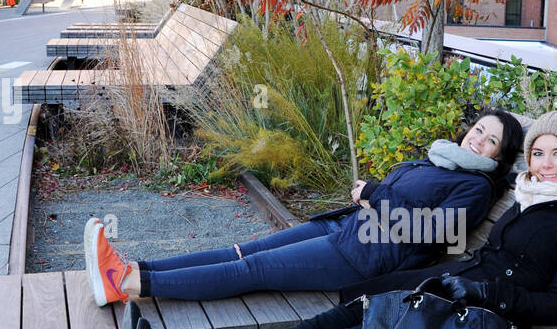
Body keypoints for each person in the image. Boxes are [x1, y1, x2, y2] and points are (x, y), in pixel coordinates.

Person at [131, 109, 557, 329]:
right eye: (539, 154)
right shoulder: (528, 197)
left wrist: (488, 291)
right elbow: (473, 254)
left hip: (482, 327)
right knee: (317, 326)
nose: (546, 166)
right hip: (447, 291)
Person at [84, 109, 525, 308]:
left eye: (491, 141)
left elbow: (437, 233)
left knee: (251, 272)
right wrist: (369, 199)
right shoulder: (440, 158)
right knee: (243, 252)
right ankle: (133, 268)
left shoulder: (477, 186)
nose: (478, 139)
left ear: (498, 156)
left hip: (364, 257)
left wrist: (375, 194)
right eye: (479, 129)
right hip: (347, 229)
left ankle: (127, 284)